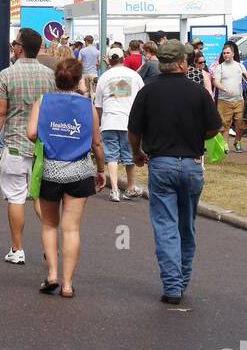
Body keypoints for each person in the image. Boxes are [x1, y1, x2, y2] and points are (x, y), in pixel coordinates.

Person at [127, 40, 222, 305]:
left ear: (161, 63)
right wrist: (198, 136)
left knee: (166, 225)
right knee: (186, 225)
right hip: (191, 163)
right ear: (182, 63)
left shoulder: (148, 91)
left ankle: (172, 286)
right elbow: (215, 127)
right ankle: (182, 280)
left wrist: (137, 153)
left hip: (161, 163)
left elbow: (133, 130)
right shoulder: (198, 92)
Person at [27, 58, 106, 297]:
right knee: (71, 229)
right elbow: (96, 142)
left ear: (56, 79)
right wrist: (100, 169)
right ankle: (68, 284)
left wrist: (48, 137)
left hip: (50, 170)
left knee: (50, 225)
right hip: (79, 171)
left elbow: (31, 133)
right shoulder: (87, 105)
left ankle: (52, 274)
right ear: (78, 80)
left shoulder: (43, 101)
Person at [0, 28, 55, 264]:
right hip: (43, 146)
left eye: (15, 43)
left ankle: (17, 249)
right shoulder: (50, 76)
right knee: (40, 197)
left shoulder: (7, 75)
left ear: (19, 48)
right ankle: (51, 243)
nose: (13, 47)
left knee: (16, 197)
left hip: (15, 144)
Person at [94, 49, 145, 202]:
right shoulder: (134, 75)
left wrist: (99, 122)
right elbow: (143, 98)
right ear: (124, 58)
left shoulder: (104, 77)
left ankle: (115, 190)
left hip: (109, 120)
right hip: (129, 121)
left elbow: (98, 105)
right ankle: (130, 187)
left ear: (109, 60)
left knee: (112, 156)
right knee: (130, 155)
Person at [212, 41, 245, 153]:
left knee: (240, 123)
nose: (225, 55)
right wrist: (225, 89)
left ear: (233, 54)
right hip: (224, 101)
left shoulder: (240, 66)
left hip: (239, 100)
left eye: (228, 53)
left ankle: (237, 142)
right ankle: (225, 145)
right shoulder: (219, 67)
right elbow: (216, 82)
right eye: (224, 53)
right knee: (225, 124)